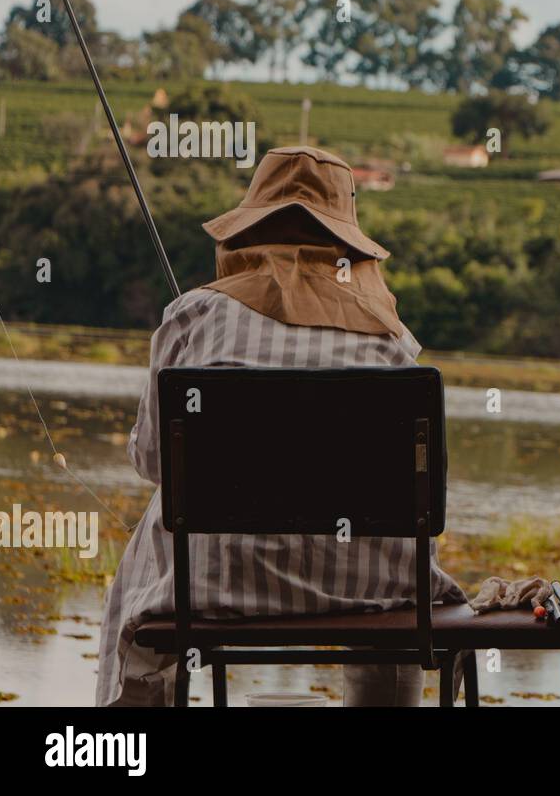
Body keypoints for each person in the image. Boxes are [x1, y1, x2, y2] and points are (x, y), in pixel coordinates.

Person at [95, 146, 465, 707]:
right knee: (391, 621)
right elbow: (425, 487)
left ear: (246, 234)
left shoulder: (194, 314)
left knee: (147, 587)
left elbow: (152, 462)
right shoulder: (394, 343)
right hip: (374, 590)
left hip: (214, 582)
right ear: (348, 246)